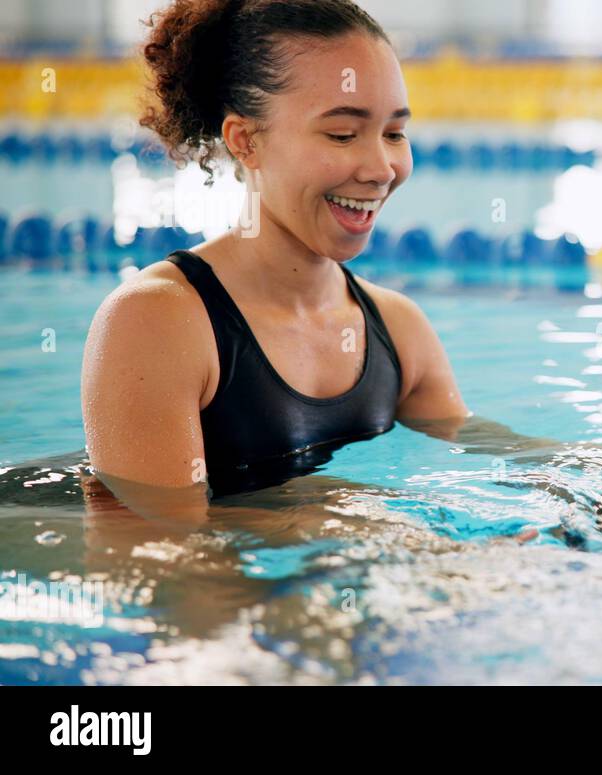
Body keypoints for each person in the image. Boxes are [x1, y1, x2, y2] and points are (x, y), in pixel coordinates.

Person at [81, 0, 471, 511]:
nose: (381, 169)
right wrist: (345, 521)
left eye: (394, 133)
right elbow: (155, 548)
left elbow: (487, 459)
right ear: (245, 141)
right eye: (342, 134)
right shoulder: (156, 321)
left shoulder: (398, 328)